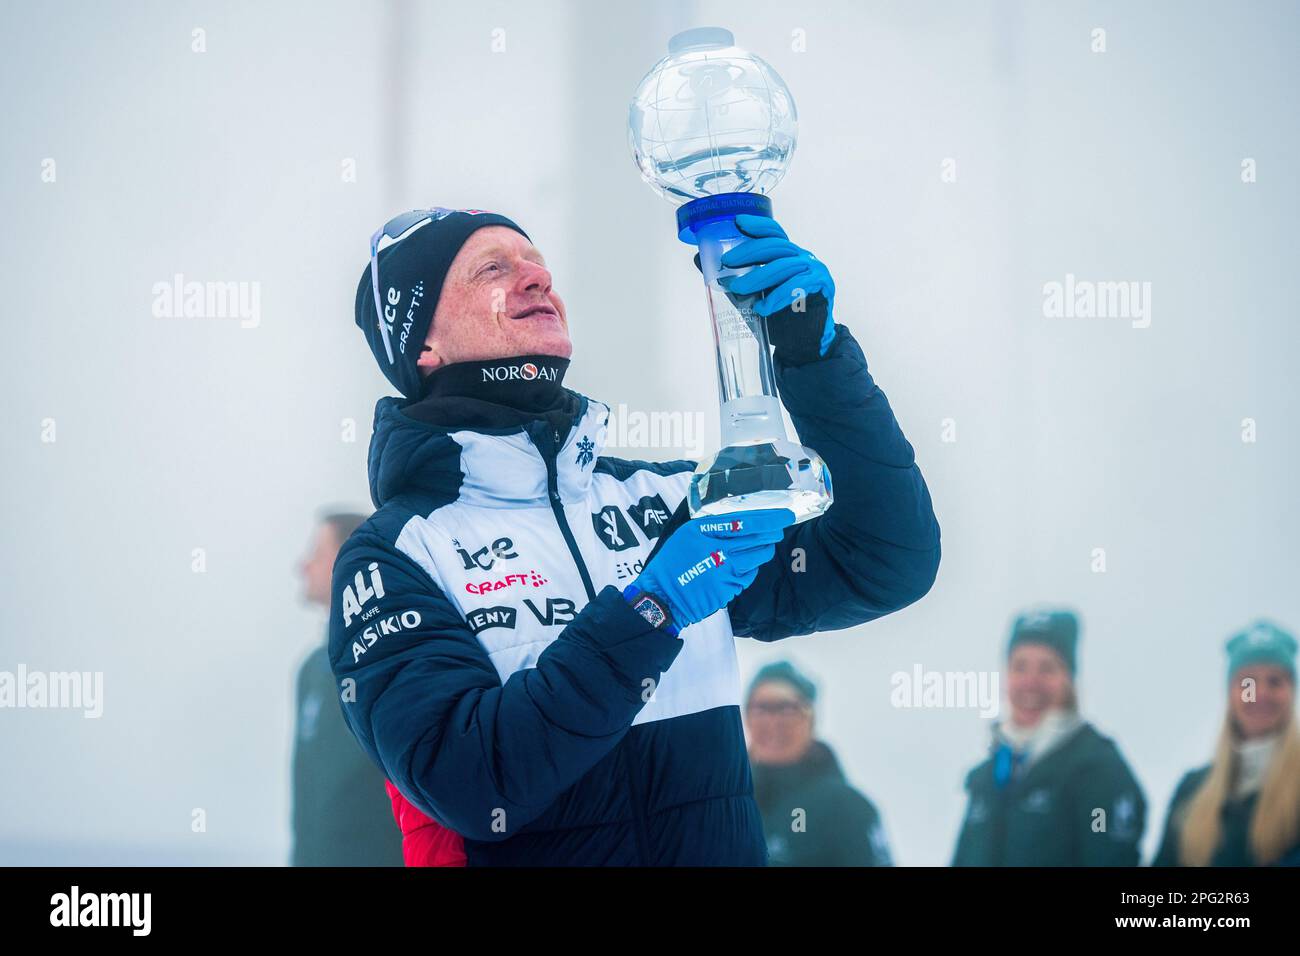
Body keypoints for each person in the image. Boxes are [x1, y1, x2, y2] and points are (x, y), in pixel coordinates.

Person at [329, 205, 941, 865]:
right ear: (424, 345)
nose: (537, 279)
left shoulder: (662, 499)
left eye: (538, 264)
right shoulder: (393, 558)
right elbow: (473, 782)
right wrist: (655, 608)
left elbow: (883, 560)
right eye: (494, 269)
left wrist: (815, 361)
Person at [952, 609, 1145, 866]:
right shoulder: (988, 776)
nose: (1031, 682)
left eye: (1047, 668)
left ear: (1069, 679)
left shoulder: (1099, 770)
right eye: (1020, 666)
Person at [291, 512, 403, 866]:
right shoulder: (311, 669)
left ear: (349, 561)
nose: (302, 565)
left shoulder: (391, 660)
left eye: (316, 553)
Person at [1153, 621, 1300, 866]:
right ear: (1230, 692)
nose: (1260, 693)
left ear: (1292, 692)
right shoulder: (1191, 790)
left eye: (1275, 682)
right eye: (1248, 683)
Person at [747, 661, 893, 866]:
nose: (774, 722)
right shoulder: (728, 802)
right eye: (762, 708)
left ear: (810, 720)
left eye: (787, 709)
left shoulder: (847, 808)